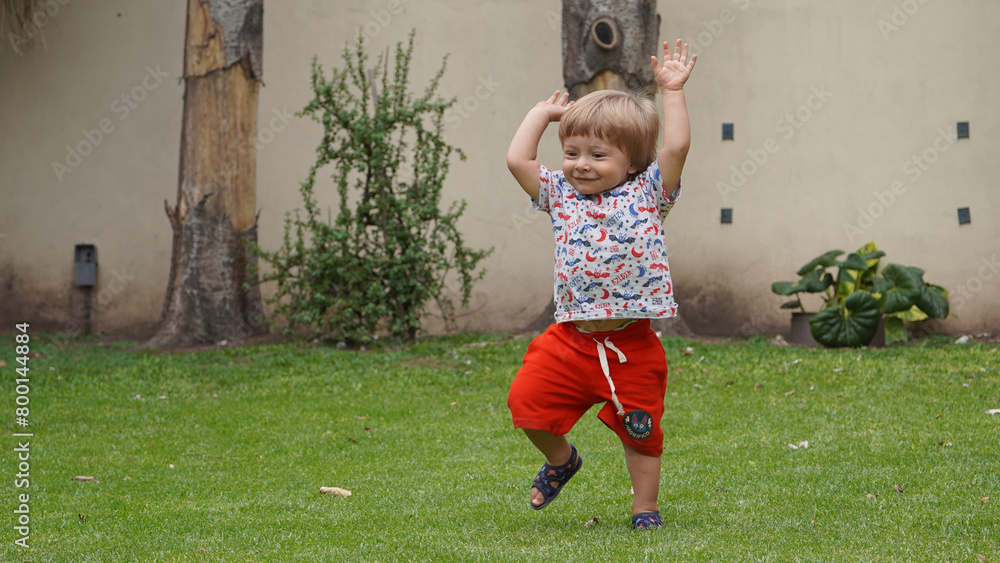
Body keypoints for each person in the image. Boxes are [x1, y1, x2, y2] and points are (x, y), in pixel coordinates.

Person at [505, 39, 697, 530]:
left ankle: (645, 509)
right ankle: (563, 460)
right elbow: (517, 161)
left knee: (642, 431)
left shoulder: (651, 192)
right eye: (571, 152)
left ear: (632, 162)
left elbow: (675, 146)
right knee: (526, 404)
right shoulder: (560, 195)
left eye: (596, 154)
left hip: (632, 343)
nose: (580, 164)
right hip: (571, 339)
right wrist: (541, 114)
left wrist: (671, 91)